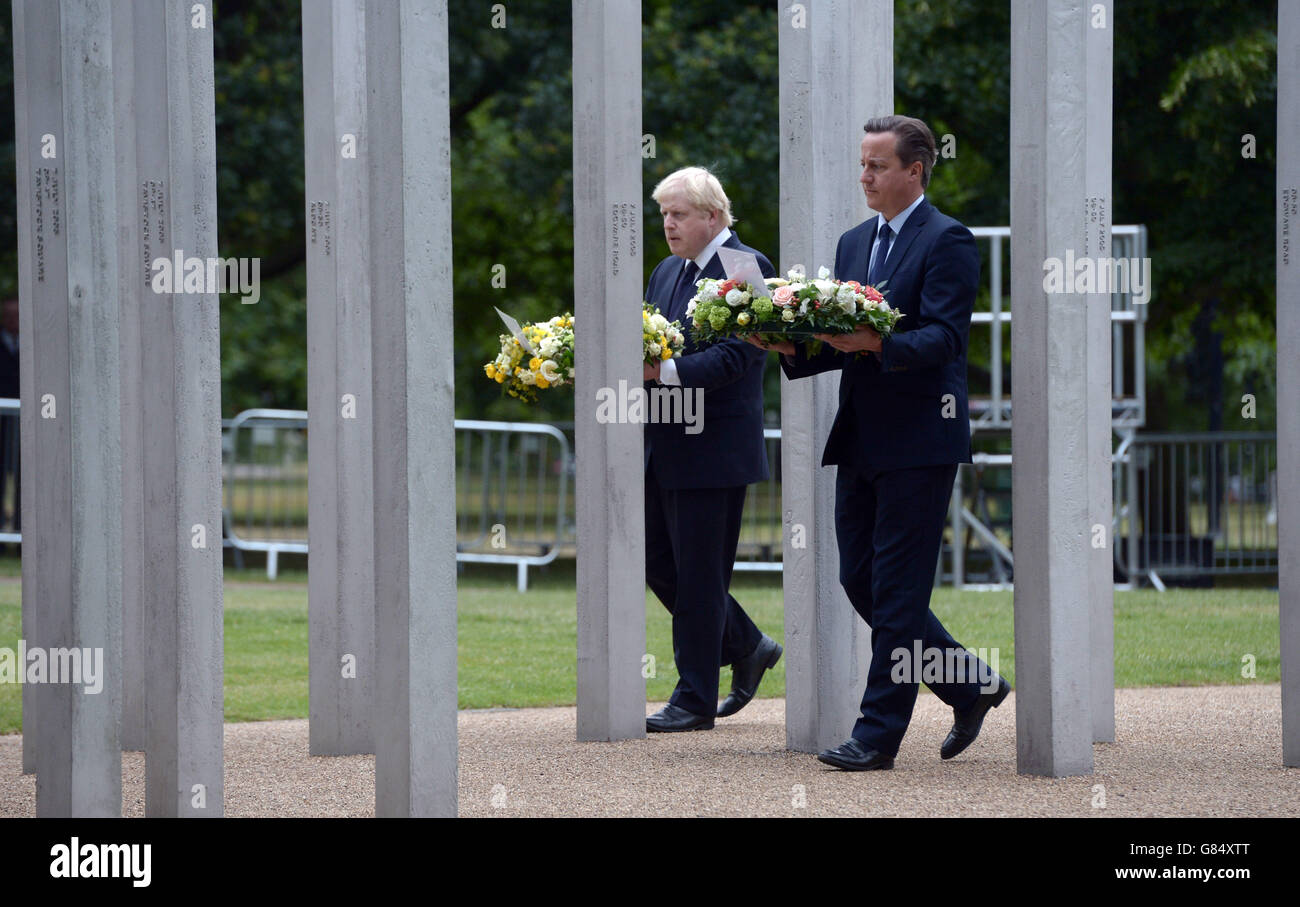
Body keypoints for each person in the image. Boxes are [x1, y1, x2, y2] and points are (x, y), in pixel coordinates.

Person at [749, 116, 1009, 768]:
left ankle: (876, 735)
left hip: (923, 440)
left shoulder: (949, 240)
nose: (863, 176)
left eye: (876, 166)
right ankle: (968, 682)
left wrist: (879, 341)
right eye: (862, 164)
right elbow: (841, 344)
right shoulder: (853, 241)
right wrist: (788, 347)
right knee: (860, 580)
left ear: (915, 170)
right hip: (862, 437)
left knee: (895, 595)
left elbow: (946, 340)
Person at [641, 166, 782, 732]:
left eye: (678, 214)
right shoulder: (666, 271)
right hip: (663, 442)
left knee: (700, 577)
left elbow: (740, 358)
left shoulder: (748, 269)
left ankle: (694, 698)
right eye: (663, 215)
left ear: (713, 216)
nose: (668, 225)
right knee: (658, 565)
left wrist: (660, 370)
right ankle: (747, 644)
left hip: (715, 448)